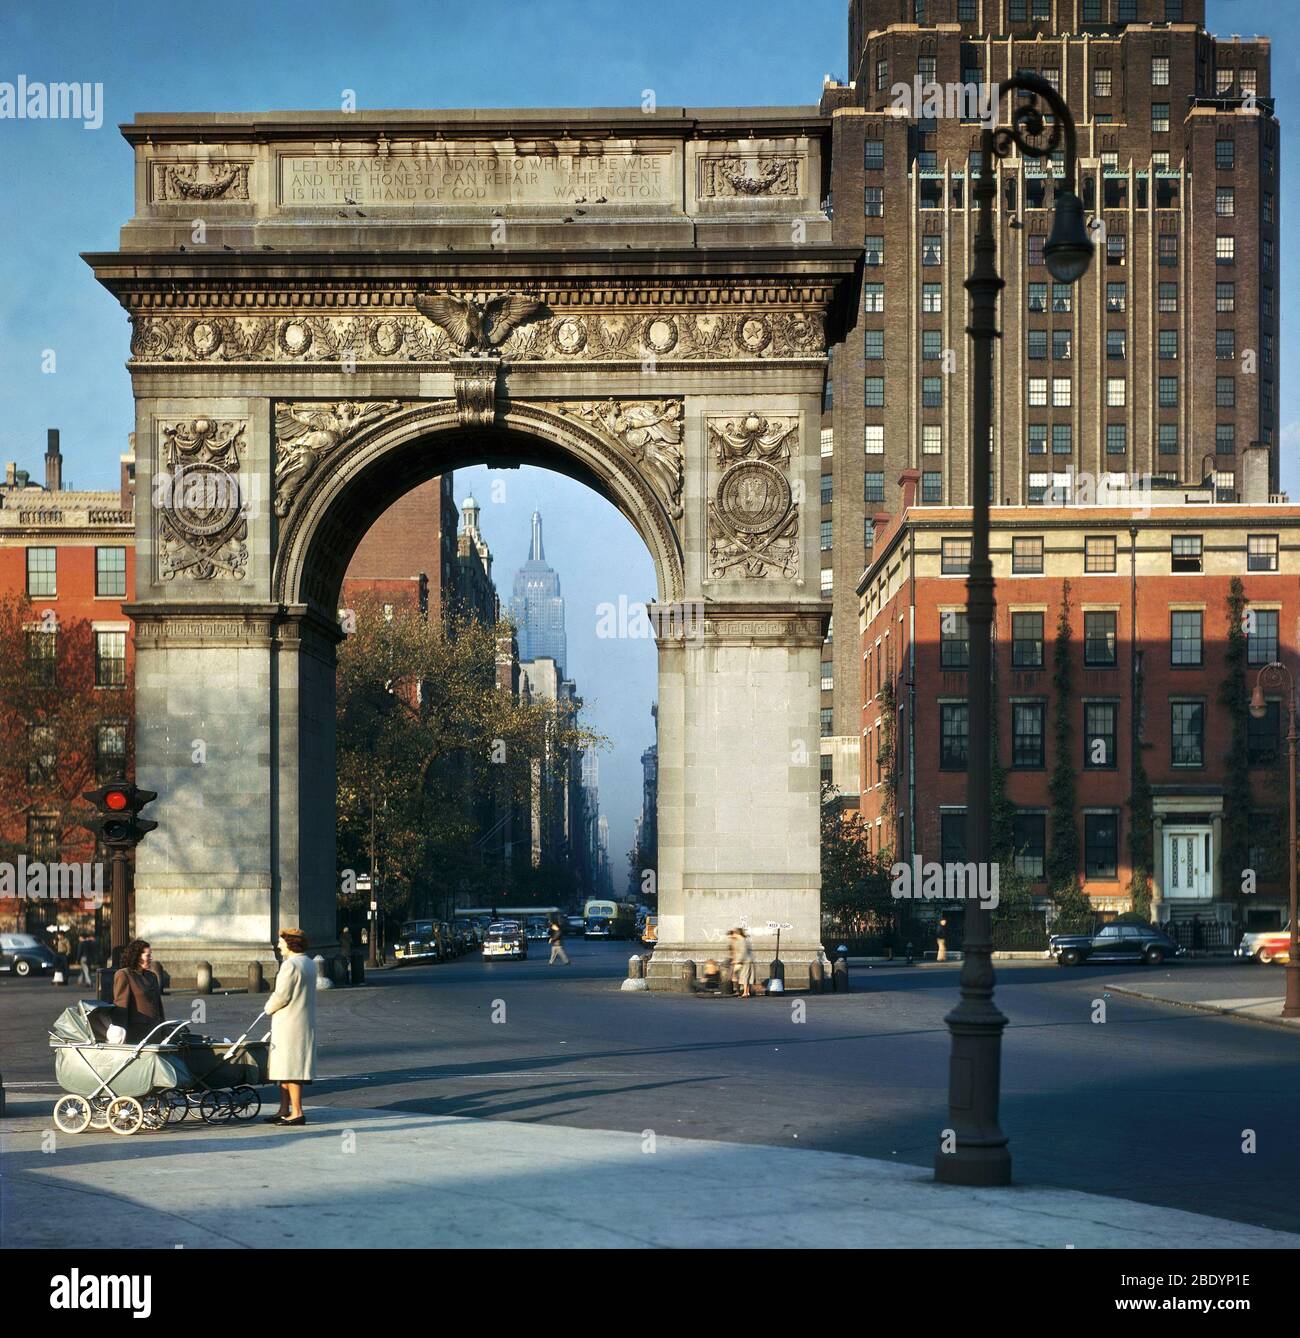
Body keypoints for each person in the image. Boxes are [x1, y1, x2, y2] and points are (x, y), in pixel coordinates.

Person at [264, 928, 317, 1127]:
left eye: (281, 942)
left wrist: (268, 1008)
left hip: (288, 1024)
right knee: (286, 1068)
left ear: (291, 944)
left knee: (291, 1068)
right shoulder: (309, 963)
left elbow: (282, 996)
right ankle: (284, 1108)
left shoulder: (290, 966)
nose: (278, 946)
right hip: (302, 1022)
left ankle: (296, 1112)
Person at [112, 939, 165, 1042]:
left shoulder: (152, 976)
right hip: (137, 1034)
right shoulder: (124, 974)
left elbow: (158, 1005)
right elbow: (121, 1007)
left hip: (155, 1030)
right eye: (147, 955)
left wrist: (162, 1027)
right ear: (137, 956)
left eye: (151, 955)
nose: (151, 958)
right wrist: (120, 1035)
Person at [728, 928, 755, 999]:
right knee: (745, 976)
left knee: (745, 976)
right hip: (746, 961)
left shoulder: (742, 940)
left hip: (745, 961)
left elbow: (743, 952)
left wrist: (738, 960)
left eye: (734, 933)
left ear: (737, 934)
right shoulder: (742, 940)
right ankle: (746, 992)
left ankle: (745, 993)